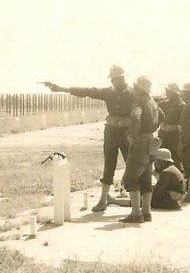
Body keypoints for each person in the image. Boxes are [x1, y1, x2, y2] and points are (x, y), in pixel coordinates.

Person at [43, 65, 134, 211]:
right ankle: (103, 200)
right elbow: (87, 91)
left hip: (127, 133)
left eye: (116, 79)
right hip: (111, 132)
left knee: (131, 164)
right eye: (112, 79)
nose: (113, 82)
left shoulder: (134, 92)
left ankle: (137, 200)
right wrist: (63, 89)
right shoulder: (108, 92)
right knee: (109, 164)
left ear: (122, 78)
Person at [120, 76, 159, 223]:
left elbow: (136, 119)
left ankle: (136, 213)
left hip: (141, 142)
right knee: (146, 178)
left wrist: (134, 137)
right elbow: (161, 116)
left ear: (138, 88)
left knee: (131, 177)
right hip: (151, 141)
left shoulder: (139, 102)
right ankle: (146, 212)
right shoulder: (152, 102)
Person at [157, 84, 184, 170]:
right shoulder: (163, 103)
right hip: (163, 133)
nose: (166, 93)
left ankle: (177, 174)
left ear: (174, 93)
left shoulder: (182, 105)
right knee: (161, 155)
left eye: (168, 91)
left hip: (174, 135)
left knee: (175, 157)